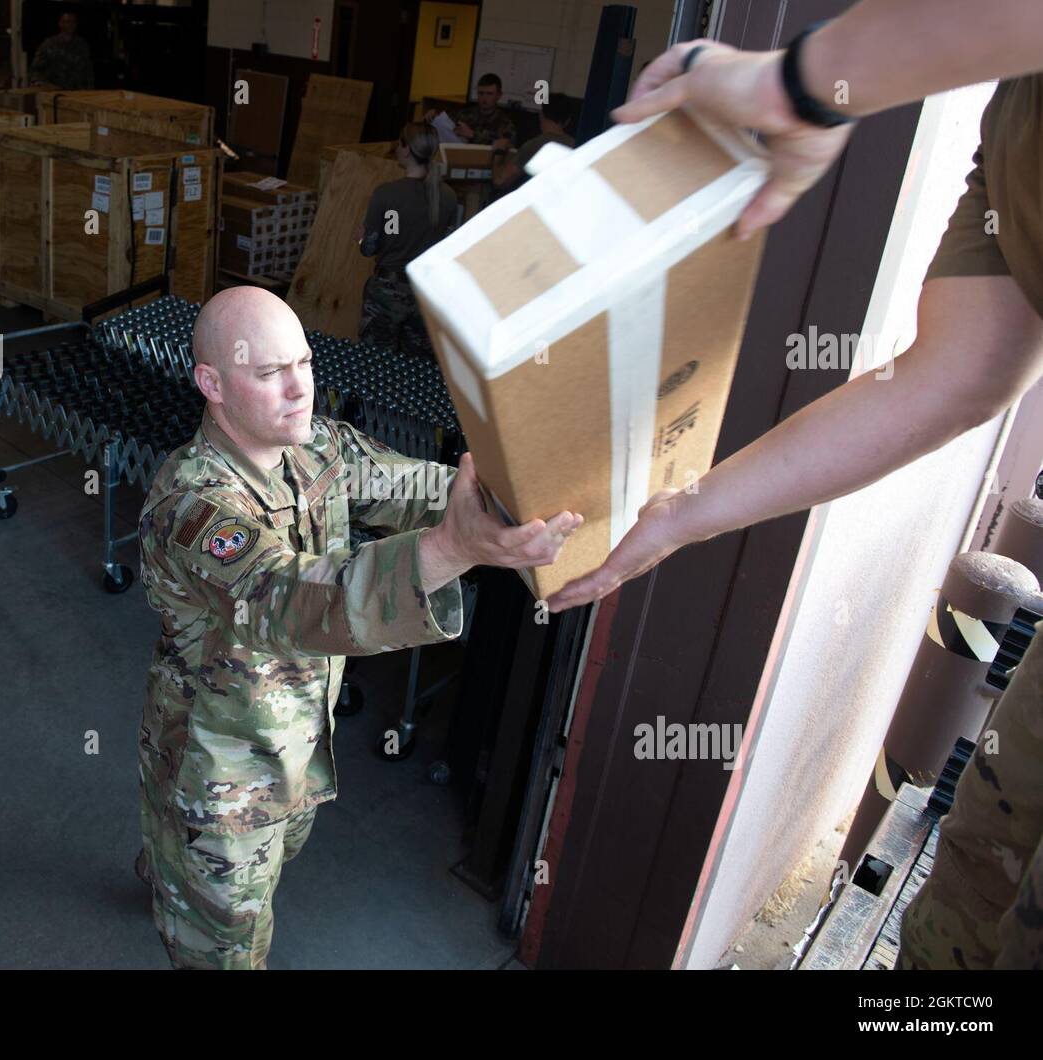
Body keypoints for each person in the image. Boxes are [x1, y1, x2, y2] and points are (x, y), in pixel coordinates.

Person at [544, 1, 1043, 971]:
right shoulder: (1020, 114)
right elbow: (956, 373)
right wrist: (682, 517)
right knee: (973, 899)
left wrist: (793, 86)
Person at [135, 285, 582, 969]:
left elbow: (413, 489)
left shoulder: (316, 447)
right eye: (268, 373)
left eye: (304, 363)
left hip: (297, 750)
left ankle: (171, 874)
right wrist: (453, 550)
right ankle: (179, 873)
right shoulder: (192, 505)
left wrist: (511, 497)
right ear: (212, 384)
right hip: (220, 776)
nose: (297, 389)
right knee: (227, 950)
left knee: (259, 863)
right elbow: (291, 603)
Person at [355, 121, 458, 356]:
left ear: (406, 149)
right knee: (416, 371)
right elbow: (450, 245)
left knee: (375, 364)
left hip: (386, 292)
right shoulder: (448, 196)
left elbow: (369, 248)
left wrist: (360, 238)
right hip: (425, 295)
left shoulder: (387, 193)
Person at [492, 92, 578, 196]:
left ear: (541, 115)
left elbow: (500, 181)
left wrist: (498, 152)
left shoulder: (535, 145)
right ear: (568, 120)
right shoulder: (576, 146)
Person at [428, 73, 516, 148]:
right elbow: (444, 125)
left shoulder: (505, 123)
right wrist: (434, 117)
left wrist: (473, 135)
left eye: (489, 94)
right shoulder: (465, 114)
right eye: (481, 93)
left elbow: (508, 146)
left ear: (499, 95)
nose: (484, 98)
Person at [29, 11, 94, 91]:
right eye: (67, 22)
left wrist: (89, 90)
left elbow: (87, 71)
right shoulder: (49, 44)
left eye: (73, 22)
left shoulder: (81, 44)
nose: (70, 25)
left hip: (76, 92)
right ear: (60, 24)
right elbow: (36, 69)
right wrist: (41, 83)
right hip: (54, 92)